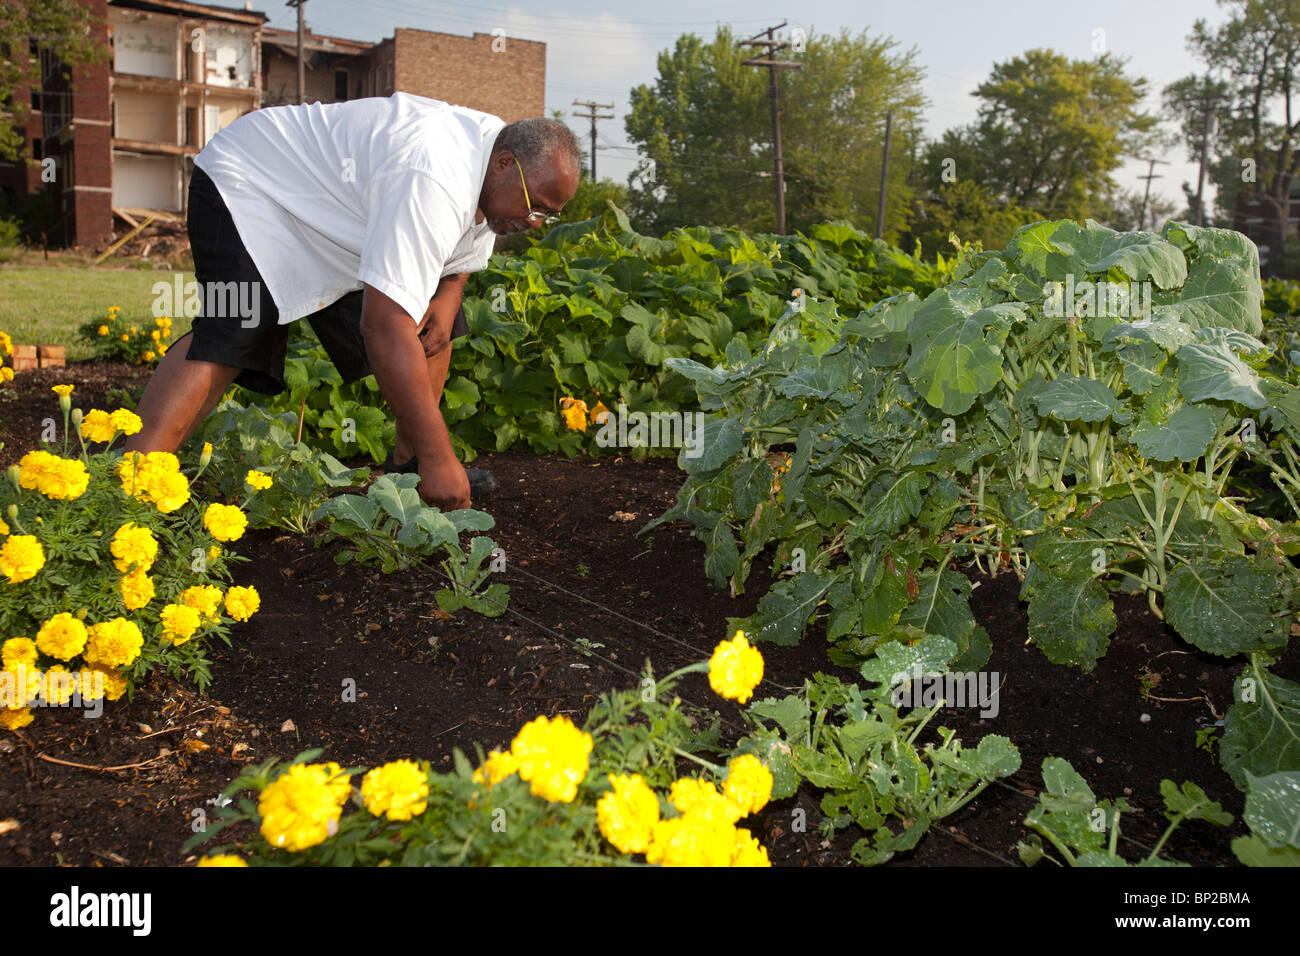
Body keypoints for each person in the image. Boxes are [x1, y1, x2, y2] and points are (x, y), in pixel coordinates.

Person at [124, 94, 581, 510]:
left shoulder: (497, 165)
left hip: (340, 215)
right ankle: (131, 487)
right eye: (535, 207)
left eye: (548, 214)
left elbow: (459, 248)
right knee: (234, 331)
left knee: (433, 324)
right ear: (504, 163)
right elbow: (382, 327)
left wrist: (449, 292)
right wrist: (443, 458)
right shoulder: (434, 174)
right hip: (251, 182)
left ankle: (408, 469)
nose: (535, 223)